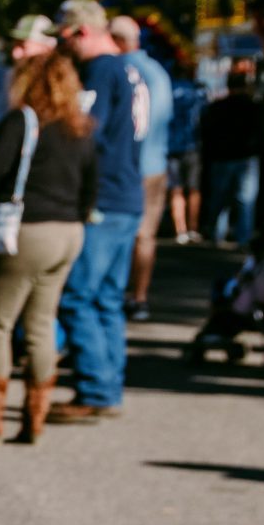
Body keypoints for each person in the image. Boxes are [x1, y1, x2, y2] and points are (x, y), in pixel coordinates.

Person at [0, 52, 98, 446]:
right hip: (68, 233)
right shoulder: (79, 127)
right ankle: (35, 416)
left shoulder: (24, 120)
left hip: (26, 232)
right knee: (42, 322)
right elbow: (90, 188)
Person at [49, 0, 143, 424]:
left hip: (103, 197)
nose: (61, 47)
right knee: (106, 298)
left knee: (78, 296)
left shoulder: (102, 72)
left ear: (82, 32)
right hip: (127, 193)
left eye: (64, 38)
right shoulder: (130, 67)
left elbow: (87, 133)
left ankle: (95, 388)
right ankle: (108, 385)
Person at [113, 16, 174, 321]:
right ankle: (140, 296)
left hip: (129, 164)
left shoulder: (121, 71)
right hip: (155, 164)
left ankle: (118, 294)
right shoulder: (158, 72)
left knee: (120, 231)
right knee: (145, 235)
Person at [197, 60, 264, 245]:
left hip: (222, 156)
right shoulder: (254, 108)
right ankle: (243, 236)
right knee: (245, 201)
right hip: (245, 157)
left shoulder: (217, 107)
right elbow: (263, 133)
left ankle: (217, 233)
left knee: (220, 198)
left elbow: (206, 131)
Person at [166, 60, 206, 245]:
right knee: (194, 189)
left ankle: (180, 230)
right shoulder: (197, 91)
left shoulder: (168, 89)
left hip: (172, 145)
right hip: (192, 145)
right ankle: (193, 228)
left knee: (176, 190)